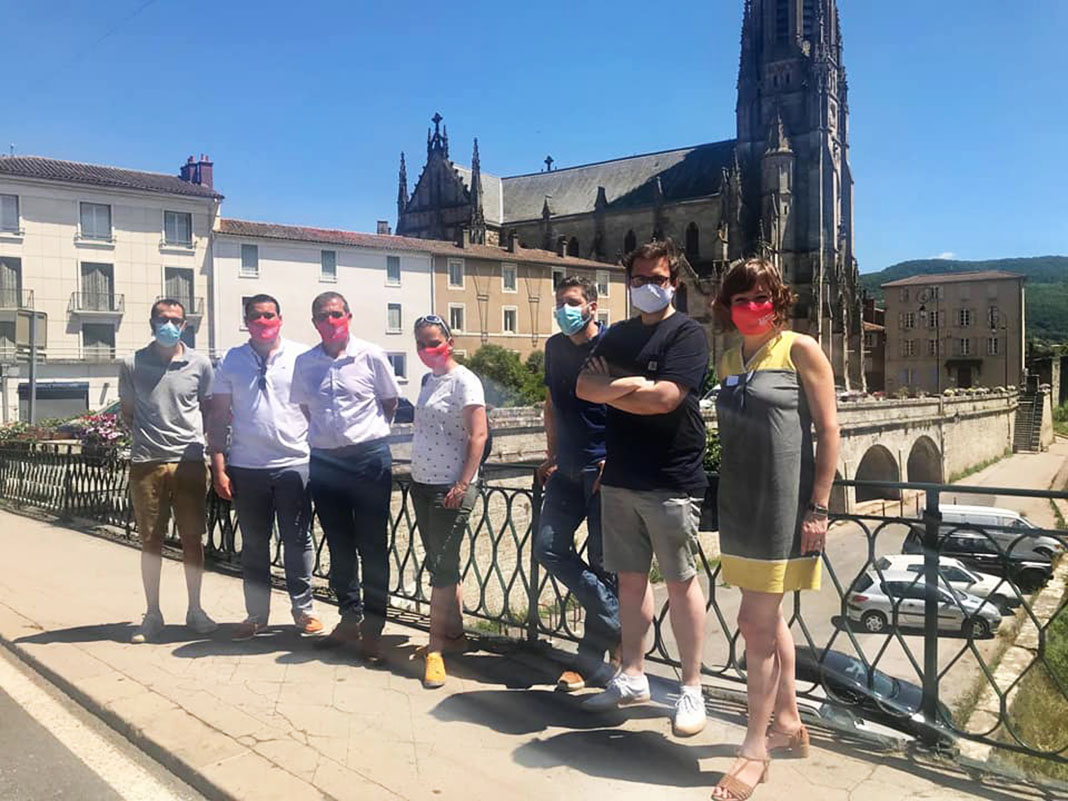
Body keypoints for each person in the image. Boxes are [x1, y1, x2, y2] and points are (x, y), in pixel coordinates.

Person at [709, 258, 839, 800]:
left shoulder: (801, 348)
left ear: (778, 300)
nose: (752, 307)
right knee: (770, 621)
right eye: (741, 299)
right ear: (728, 306)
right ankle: (788, 721)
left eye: (762, 297)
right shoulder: (726, 358)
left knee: (754, 626)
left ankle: (753, 751)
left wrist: (820, 507)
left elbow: (829, 429)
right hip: (739, 503)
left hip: (784, 506)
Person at [576, 238, 709, 738]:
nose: (648, 287)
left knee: (680, 580)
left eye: (657, 279)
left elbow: (668, 399)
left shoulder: (687, 334)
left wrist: (618, 391)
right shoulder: (619, 336)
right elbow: (584, 389)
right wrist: (633, 388)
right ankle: (633, 673)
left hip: (671, 476)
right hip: (622, 475)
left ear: (673, 282)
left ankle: (692, 687)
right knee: (630, 581)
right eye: (638, 279)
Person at [290, 291, 400, 662]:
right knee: (338, 545)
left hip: (368, 459)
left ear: (348, 317)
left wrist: (362, 437)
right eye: (323, 316)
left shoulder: (371, 354)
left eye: (336, 314)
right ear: (314, 322)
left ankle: (373, 629)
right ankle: (348, 619)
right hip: (325, 461)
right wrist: (331, 440)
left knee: (372, 546)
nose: (331, 320)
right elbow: (306, 408)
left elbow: (390, 402)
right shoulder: (305, 363)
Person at [207, 294, 323, 641]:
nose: (263, 321)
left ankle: (304, 611)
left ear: (281, 318)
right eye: (256, 316)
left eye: (269, 315)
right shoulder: (230, 360)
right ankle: (256, 615)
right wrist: (218, 467)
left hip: (294, 464)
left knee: (298, 541)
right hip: (246, 466)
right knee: (255, 544)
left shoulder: (302, 356)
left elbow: (315, 411)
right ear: (246, 321)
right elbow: (217, 417)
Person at [534, 276, 620, 691]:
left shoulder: (613, 347)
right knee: (548, 548)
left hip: (603, 471)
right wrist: (550, 454)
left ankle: (587, 664)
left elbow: (630, 410)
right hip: (566, 470)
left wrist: (616, 459)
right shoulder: (554, 347)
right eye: (559, 303)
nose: (563, 309)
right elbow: (551, 403)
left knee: (605, 566)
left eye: (571, 302)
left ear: (592, 305)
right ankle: (617, 620)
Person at [120, 299, 217, 643]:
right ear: (151, 321)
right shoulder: (132, 363)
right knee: (151, 540)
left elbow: (210, 409)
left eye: (176, 320)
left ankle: (195, 609)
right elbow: (128, 412)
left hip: (190, 462)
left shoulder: (200, 364)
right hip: (146, 462)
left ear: (185, 325)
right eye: (163, 318)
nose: (169, 325)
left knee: (193, 539)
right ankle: (153, 614)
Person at [408, 314, 488, 688]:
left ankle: (436, 648)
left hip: (449, 488)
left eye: (434, 341)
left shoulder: (464, 381)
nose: (428, 349)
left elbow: (478, 435)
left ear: (450, 342)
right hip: (422, 484)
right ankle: (456, 637)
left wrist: (462, 483)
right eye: (421, 343)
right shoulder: (427, 381)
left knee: (439, 568)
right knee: (444, 565)